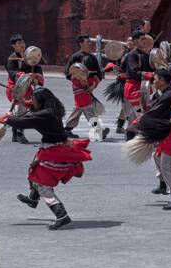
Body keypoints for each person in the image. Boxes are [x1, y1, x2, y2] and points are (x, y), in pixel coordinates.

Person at [10, 88, 93, 230]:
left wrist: (7, 118)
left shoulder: (45, 115)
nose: (32, 101)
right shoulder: (52, 109)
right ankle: (33, 198)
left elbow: (21, 121)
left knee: (43, 185)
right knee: (35, 167)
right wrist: (25, 103)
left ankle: (61, 215)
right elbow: (36, 112)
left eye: (34, 100)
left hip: (56, 152)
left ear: (41, 101)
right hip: (55, 147)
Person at [135, 68, 171, 209]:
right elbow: (155, 108)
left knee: (166, 166)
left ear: (161, 80)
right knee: (158, 158)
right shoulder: (166, 94)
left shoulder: (169, 95)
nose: (153, 81)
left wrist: (141, 120)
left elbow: (155, 112)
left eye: (155, 79)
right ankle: (164, 184)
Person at [63, 35, 106, 137]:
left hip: (89, 85)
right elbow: (67, 73)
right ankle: (98, 129)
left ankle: (67, 129)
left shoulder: (93, 58)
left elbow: (99, 74)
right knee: (86, 106)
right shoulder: (75, 57)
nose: (90, 44)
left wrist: (93, 85)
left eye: (90, 42)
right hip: (78, 86)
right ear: (81, 43)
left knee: (80, 107)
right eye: (87, 42)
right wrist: (79, 80)